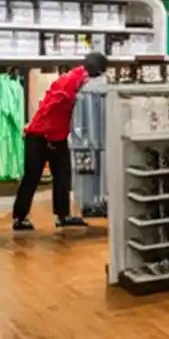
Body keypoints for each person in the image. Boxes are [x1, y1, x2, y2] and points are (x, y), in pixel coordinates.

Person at [10, 52, 106, 231]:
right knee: (32, 177)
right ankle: (19, 218)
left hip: (56, 136)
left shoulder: (78, 79)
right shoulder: (72, 82)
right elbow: (52, 107)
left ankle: (63, 216)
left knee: (63, 175)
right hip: (40, 136)